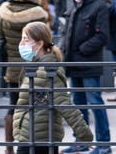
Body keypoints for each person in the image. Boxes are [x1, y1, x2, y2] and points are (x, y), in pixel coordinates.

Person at [13, 21, 93, 154]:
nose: (21, 44)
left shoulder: (48, 71)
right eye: (22, 39)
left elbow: (64, 104)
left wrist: (84, 134)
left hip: (39, 137)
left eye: (26, 40)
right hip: (30, 134)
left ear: (39, 43)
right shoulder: (34, 66)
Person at [60, 0, 111, 154]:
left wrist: (82, 49)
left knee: (95, 102)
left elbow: (103, 36)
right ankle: (81, 141)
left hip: (89, 63)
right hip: (72, 64)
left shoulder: (99, 6)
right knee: (78, 104)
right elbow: (67, 32)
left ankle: (104, 144)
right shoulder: (75, 5)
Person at [0, 0, 49, 154]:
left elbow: (1, 39)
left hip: (12, 70)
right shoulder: (39, 14)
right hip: (33, 69)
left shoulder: (4, 13)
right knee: (33, 107)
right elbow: (45, 42)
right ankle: (28, 144)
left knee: (13, 106)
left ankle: (9, 146)